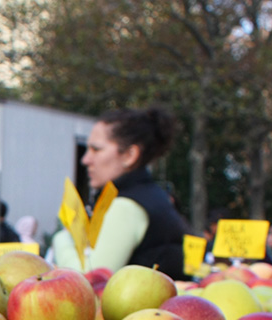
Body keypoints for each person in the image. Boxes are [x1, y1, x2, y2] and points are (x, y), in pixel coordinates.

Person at [54, 106, 188, 280]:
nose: (85, 159)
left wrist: (64, 237)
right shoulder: (152, 196)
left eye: (96, 149)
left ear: (129, 155)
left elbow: (90, 279)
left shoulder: (127, 206)